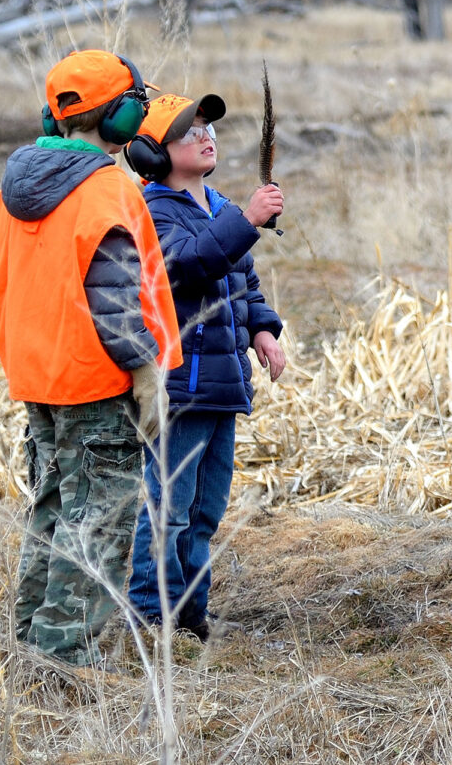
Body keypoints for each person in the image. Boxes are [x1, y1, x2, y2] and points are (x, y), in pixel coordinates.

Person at [0, 48, 182, 668]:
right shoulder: (106, 192)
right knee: (98, 523)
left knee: (52, 513)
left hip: (39, 380)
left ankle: (31, 644)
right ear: (121, 120)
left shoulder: (10, 192)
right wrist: (146, 374)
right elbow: (116, 299)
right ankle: (65, 662)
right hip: (97, 384)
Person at [123, 92, 286, 641]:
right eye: (188, 131)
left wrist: (262, 328)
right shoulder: (153, 210)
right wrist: (248, 220)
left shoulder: (217, 205)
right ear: (154, 153)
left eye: (208, 127)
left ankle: (191, 615)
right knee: (168, 506)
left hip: (222, 384)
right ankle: (149, 615)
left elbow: (243, 279)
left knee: (206, 510)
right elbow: (186, 266)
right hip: (180, 385)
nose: (205, 136)